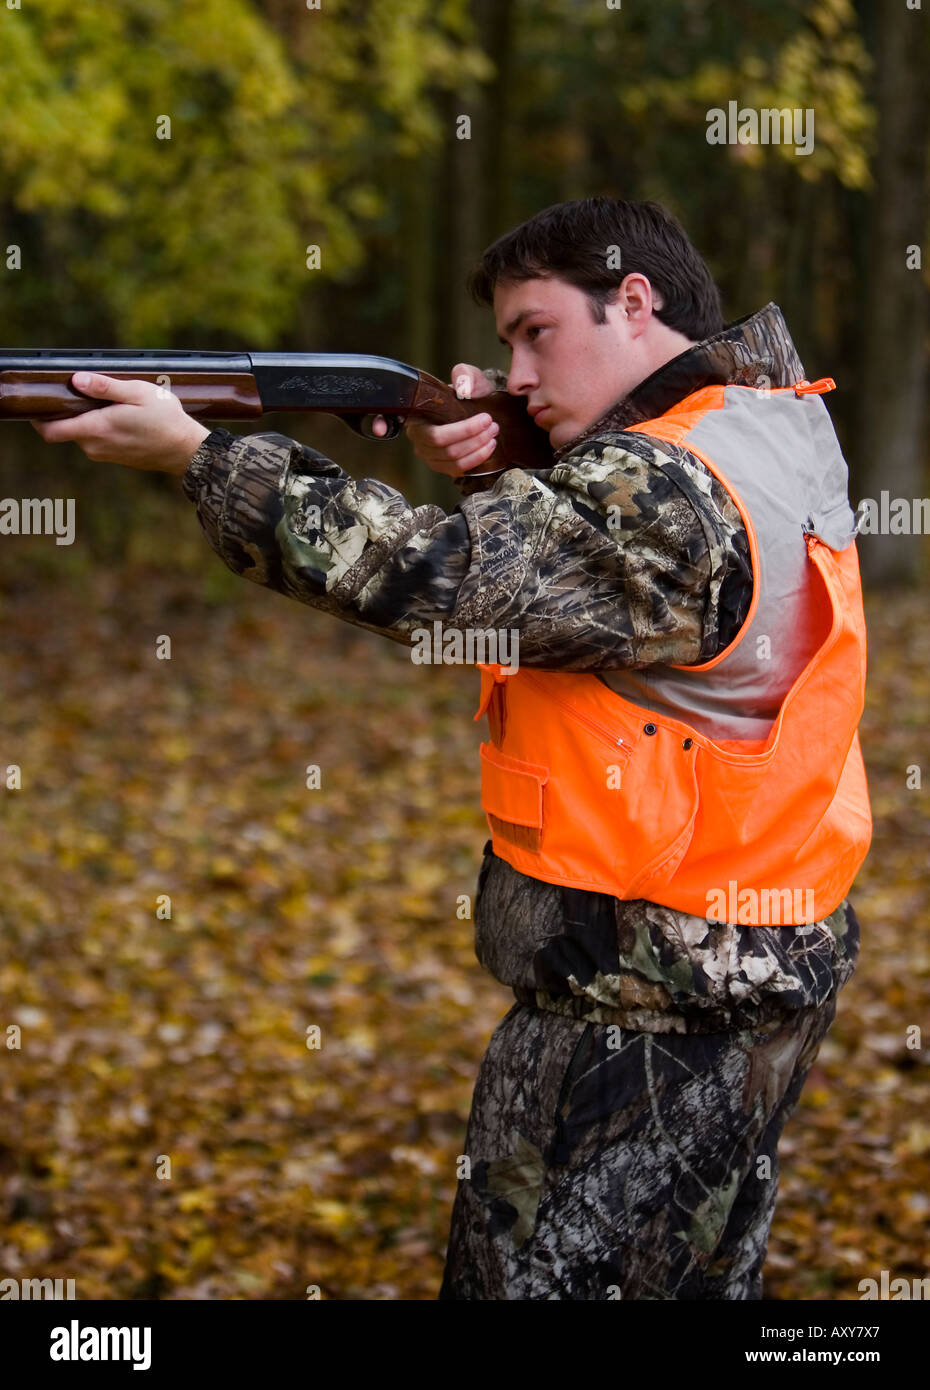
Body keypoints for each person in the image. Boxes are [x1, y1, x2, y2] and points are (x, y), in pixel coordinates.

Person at [31, 197, 871, 1300]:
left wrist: (200, 457)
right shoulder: (758, 420)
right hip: (733, 966)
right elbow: (604, 596)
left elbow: (438, 577)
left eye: (535, 331)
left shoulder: (666, 486)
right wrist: (499, 463)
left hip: (652, 1009)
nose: (514, 372)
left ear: (633, 299)